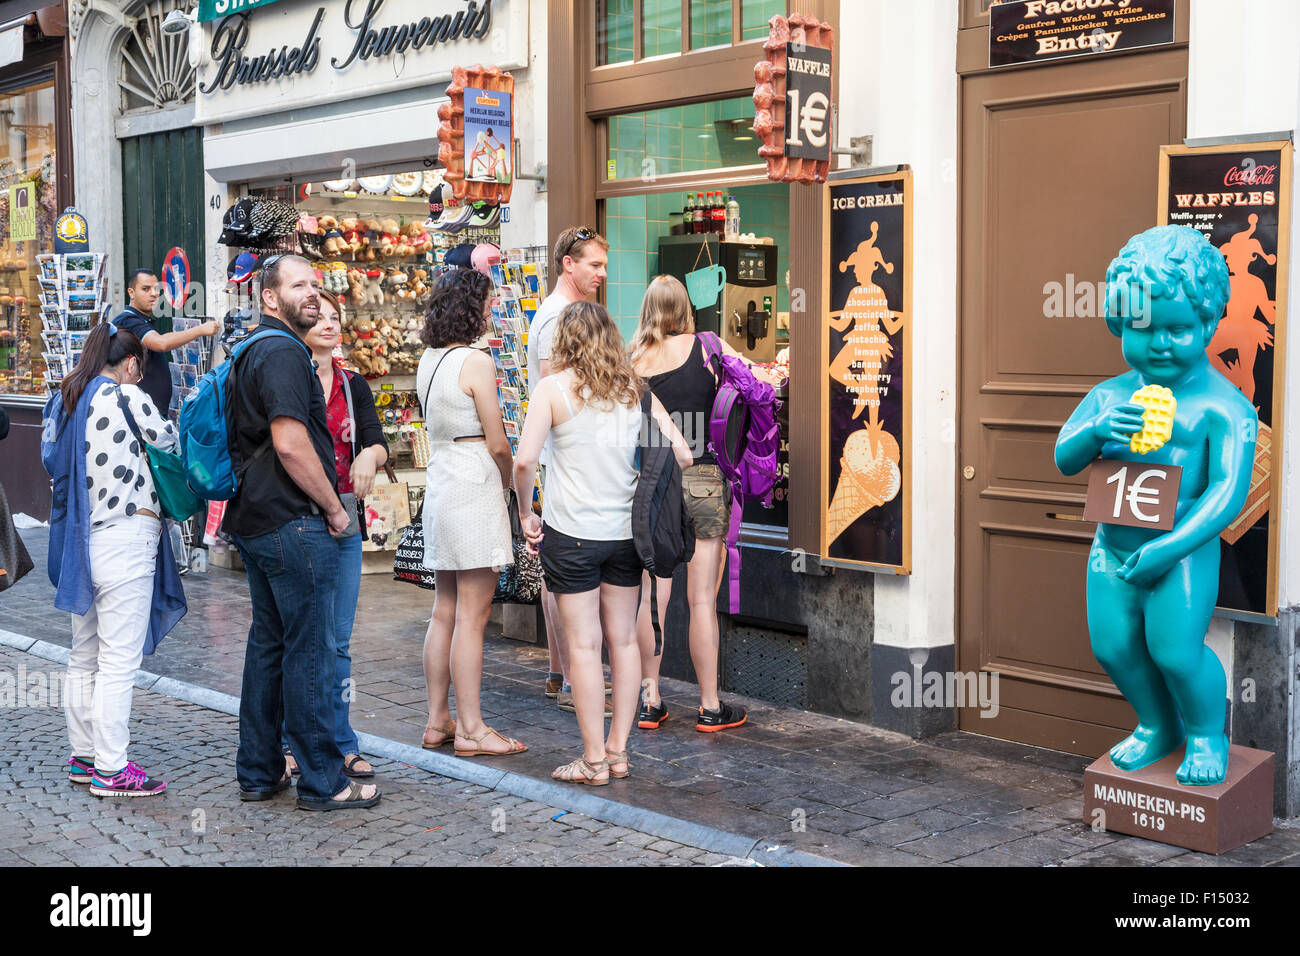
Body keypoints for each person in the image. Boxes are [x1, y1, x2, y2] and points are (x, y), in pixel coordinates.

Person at [1055, 225, 1256, 786]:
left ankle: (1205, 733)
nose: (1161, 344)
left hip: (1182, 554)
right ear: (1119, 324)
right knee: (1113, 647)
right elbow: (1065, 459)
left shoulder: (1224, 407)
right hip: (1112, 548)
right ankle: (1155, 726)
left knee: (1176, 651)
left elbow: (1226, 494)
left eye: (1179, 329)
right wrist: (1095, 430)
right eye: (1143, 329)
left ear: (1210, 324)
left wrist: (1169, 549)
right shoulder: (1109, 396)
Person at [223, 254, 379, 810]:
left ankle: (259, 772)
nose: (313, 294)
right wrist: (333, 511)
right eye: (298, 286)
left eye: (315, 284)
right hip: (291, 520)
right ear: (270, 297)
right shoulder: (285, 353)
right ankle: (323, 780)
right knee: (309, 651)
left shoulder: (251, 348)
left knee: (269, 646)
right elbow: (290, 443)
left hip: (257, 520)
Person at [515, 301, 692, 785]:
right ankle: (618, 752)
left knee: (584, 646)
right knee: (624, 642)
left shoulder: (551, 390)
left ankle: (593, 760)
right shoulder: (635, 390)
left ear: (564, 342)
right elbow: (683, 451)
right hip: (626, 538)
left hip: (571, 536)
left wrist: (526, 512)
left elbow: (525, 461)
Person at [629, 275, 781, 733]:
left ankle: (650, 699)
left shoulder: (631, 360)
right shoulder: (709, 347)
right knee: (701, 602)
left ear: (647, 308)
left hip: (654, 483)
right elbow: (760, 383)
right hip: (704, 479)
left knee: (652, 599)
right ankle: (710, 706)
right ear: (685, 308)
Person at [40, 322, 187, 796]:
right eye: (138, 370)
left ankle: (84, 757)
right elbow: (171, 446)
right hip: (126, 537)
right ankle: (111, 768)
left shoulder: (68, 403)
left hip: (81, 543)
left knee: (84, 655)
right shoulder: (128, 397)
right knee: (119, 660)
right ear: (129, 364)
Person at [417, 268, 527, 758]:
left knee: (445, 610)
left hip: (441, 481)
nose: (489, 312)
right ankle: (473, 729)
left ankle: (438, 719)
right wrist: (512, 484)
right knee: (474, 616)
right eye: (485, 304)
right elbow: (499, 442)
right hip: (474, 481)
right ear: (470, 308)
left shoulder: (428, 358)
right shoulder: (476, 361)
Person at [281, 290, 388, 780]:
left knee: (338, 640)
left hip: (344, 518)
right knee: (301, 638)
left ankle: (342, 741)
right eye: (319, 317)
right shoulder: (288, 375)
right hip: (298, 520)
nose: (327, 324)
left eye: (334, 318)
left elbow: (376, 439)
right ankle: (291, 742)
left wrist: (371, 454)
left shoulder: (353, 384)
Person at [526, 225, 612, 714]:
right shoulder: (561, 317)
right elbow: (553, 393)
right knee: (565, 577)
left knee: (555, 575)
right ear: (568, 265)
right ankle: (576, 678)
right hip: (565, 465)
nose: (601, 273)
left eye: (603, 265)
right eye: (594, 265)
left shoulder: (561, 312)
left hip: (562, 464)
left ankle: (559, 673)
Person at [112, 269, 220, 416]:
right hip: (138, 414)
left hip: (150, 413)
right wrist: (201, 329)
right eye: (145, 289)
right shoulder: (128, 320)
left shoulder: (142, 320)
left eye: (156, 289)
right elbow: (161, 343)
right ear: (131, 293)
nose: (153, 293)